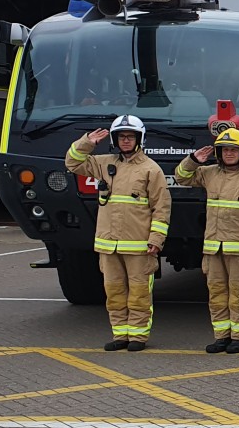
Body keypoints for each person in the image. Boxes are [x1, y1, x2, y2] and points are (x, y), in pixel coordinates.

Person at [64, 114, 170, 352]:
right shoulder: (103, 163)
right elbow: (71, 163)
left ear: (139, 139)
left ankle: (138, 337)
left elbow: (161, 208)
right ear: (114, 139)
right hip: (108, 245)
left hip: (139, 246)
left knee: (139, 294)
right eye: (121, 136)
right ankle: (120, 335)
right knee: (114, 292)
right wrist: (87, 143)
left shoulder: (151, 169)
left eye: (130, 137)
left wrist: (156, 240)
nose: (125, 141)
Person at [175, 127, 239, 354]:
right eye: (224, 150)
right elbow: (181, 177)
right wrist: (193, 160)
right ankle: (221, 336)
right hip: (214, 249)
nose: (229, 154)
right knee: (217, 294)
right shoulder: (209, 173)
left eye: (233, 150)